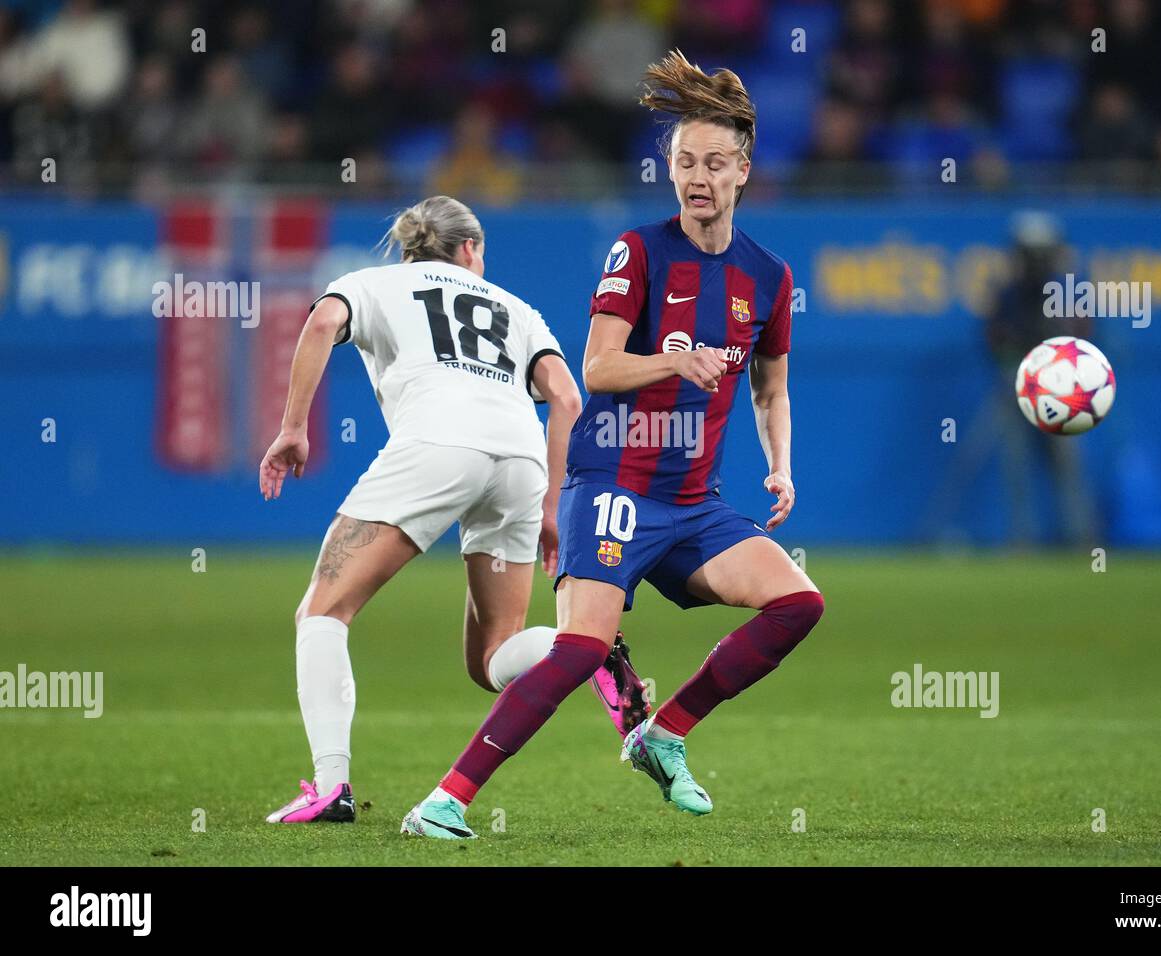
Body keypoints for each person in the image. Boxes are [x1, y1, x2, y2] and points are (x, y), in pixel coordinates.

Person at [402, 52, 824, 841]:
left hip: (695, 501)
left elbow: (772, 387)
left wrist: (779, 463)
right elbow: (596, 365)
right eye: (683, 162)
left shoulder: (767, 275)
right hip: (613, 486)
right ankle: (445, 801)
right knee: (579, 648)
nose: (697, 177)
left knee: (799, 601)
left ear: (743, 171)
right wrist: (672, 357)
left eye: (714, 163)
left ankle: (662, 732)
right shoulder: (639, 250)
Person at [259, 195, 648, 825]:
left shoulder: (371, 283)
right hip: (520, 462)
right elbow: (567, 398)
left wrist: (294, 428)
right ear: (468, 249)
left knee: (322, 612)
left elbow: (321, 324)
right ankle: (590, 646)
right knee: (494, 657)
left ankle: (332, 788)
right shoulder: (517, 310)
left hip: (437, 447)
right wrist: (553, 504)